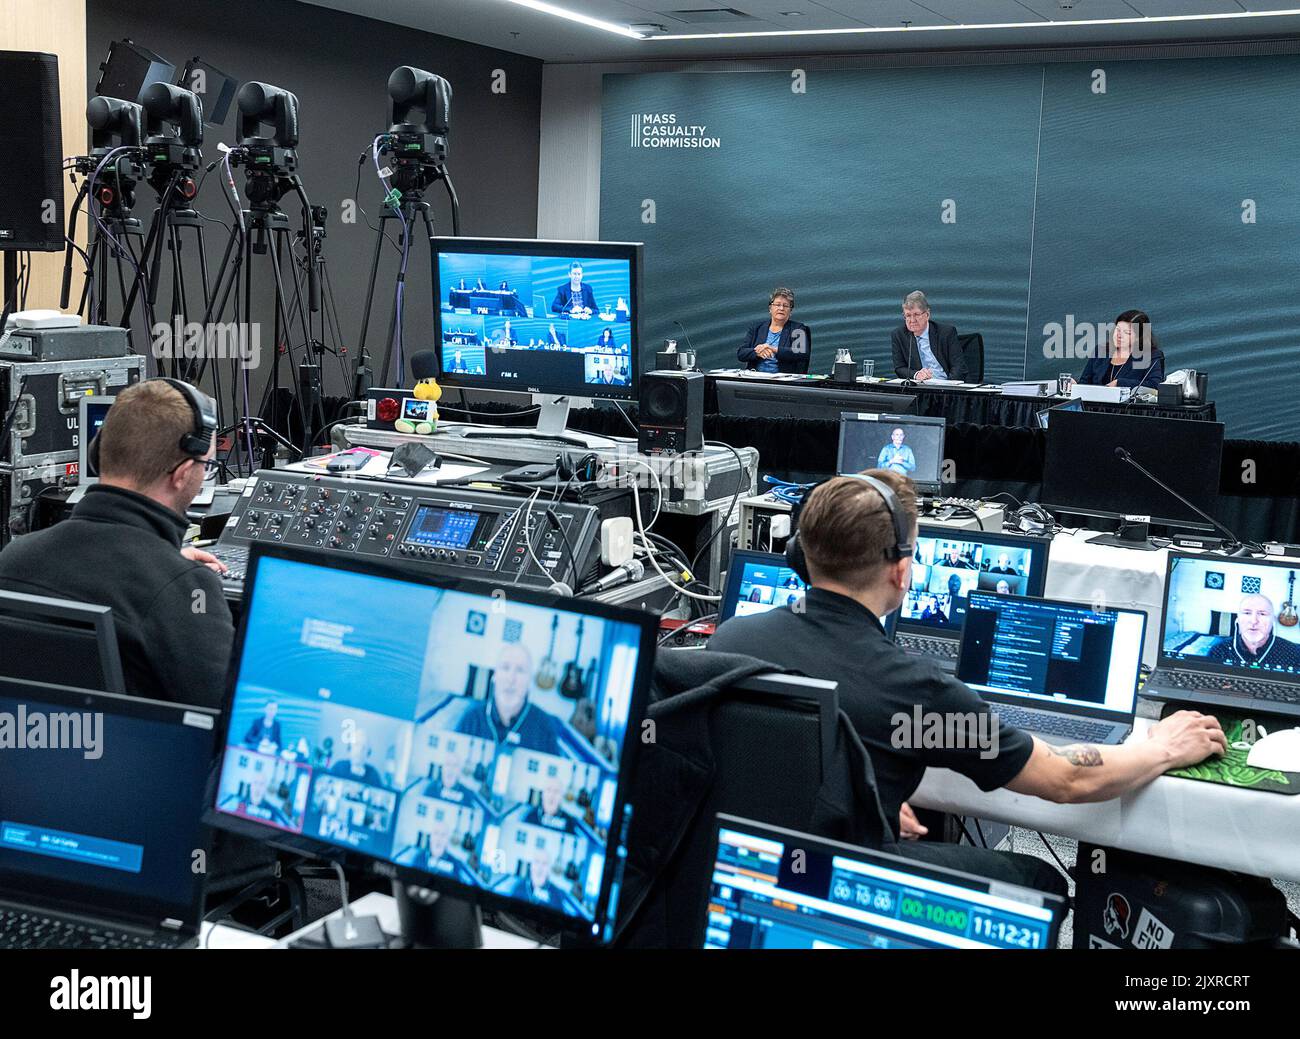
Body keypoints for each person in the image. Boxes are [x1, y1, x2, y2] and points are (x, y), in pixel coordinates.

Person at [707, 469, 1227, 890]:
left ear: (803, 553)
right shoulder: (915, 691)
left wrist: (862, 797)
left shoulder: (731, 640)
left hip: (737, 871)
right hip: (841, 885)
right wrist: (1162, 746)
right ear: (901, 572)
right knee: (1040, 880)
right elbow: (1068, 779)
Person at [0, 379, 232, 709]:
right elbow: (231, 718)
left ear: (98, 452)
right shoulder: (187, 590)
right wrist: (172, 575)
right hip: (139, 760)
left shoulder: (15, 557)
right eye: (204, 466)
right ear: (181, 474)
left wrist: (166, 567)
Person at [455, 642, 562, 756]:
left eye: (520, 670)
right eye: (505, 668)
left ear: (529, 682)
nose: (511, 679)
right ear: (494, 676)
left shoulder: (545, 726)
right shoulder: (470, 719)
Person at [1075, 310, 1166, 390]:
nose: (1119, 336)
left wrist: (1120, 383)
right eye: (1117, 330)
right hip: (1093, 407)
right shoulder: (1101, 351)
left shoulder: (1152, 355)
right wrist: (1076, 386)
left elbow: (1155, 385)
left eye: (1127, 333)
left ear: (1139, 337)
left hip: (1128, 408)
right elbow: (1085, 382)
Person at [890, 291, 967, 382]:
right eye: (908, 315)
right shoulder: (899, 335)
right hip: (919, 387)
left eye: (916, 314)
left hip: (945, 385)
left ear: (927, 314)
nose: (912, 320)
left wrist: (948, 386)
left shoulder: (946, 333)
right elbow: (899, 368)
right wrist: (916, 374)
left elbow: (959, 367)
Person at [1210, 594, 1300, 670]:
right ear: (1238, 619)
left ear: (1273, 620)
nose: (1254, 621)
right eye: (1247, 613)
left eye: (1262, 614)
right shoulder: (1218, 651)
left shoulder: (1295, 653)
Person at [737, 287, 812, 375]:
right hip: (755, 378)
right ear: (770, 308)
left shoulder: (798, 329)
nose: (781, 308)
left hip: (783, 382)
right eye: (777, 304)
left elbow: (801, 353)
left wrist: (774, 349)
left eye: (786, 305)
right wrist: (757, 352)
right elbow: (741, 353)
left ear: (790, 311)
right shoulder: (756, 328)